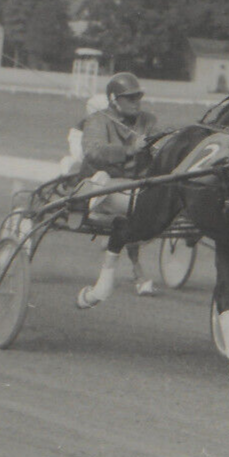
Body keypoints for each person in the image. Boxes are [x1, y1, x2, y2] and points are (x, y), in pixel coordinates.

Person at [75, 72, 159, 305]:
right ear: (113, 99)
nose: (136, 102)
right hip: (101, 186)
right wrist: (129, 150)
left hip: (135, 186)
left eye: (138, 97)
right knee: (136, 206)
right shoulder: (98, 120)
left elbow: (157, 151)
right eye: (130, 98)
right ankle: (127, 270)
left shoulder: (148, 121)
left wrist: (159, 148)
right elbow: (93, 152)